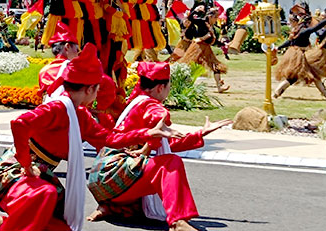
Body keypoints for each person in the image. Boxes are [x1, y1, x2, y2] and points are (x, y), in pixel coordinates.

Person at [0, 44, 176, 231]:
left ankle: (4, 223)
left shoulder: (81, 116)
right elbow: (20, 124)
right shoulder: (57, 108)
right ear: (90, 89)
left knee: (61, 226)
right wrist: (26, 164)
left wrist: (148, 133)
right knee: (45, 194)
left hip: (39, 176)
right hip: (12, 172)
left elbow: (110, 140)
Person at [88, 61, 231, 231]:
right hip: (113, 173)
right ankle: (178, 221)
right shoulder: (151, 105)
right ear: (160, 88)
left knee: (150, 169)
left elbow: (168, 142)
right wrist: (160, 122)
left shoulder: (137, 100)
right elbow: (157, 117)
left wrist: (200, 134)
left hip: (101, 178)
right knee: (170, 164)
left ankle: (109, 207)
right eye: (168, 85)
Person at [273, 2, 326, 99]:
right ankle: (277, 92)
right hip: (298, 55)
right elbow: (317, 27)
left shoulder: (298, 29)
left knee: (314, 74)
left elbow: (290, 42)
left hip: (301, 53)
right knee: (294, 77)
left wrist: (278, 47)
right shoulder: (303, 31)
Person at [178, 5, 229, 93]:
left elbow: (213, 39)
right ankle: (183, 85)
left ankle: (219, 87)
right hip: (197, 47)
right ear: (210, 16)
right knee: (189, 66)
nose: (216, 19)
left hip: (206, 48)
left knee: (216, 66)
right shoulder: (201, 22)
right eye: (215, 17)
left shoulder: (211, 26)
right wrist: (195, 10)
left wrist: (223, 44)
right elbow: (190, 19)